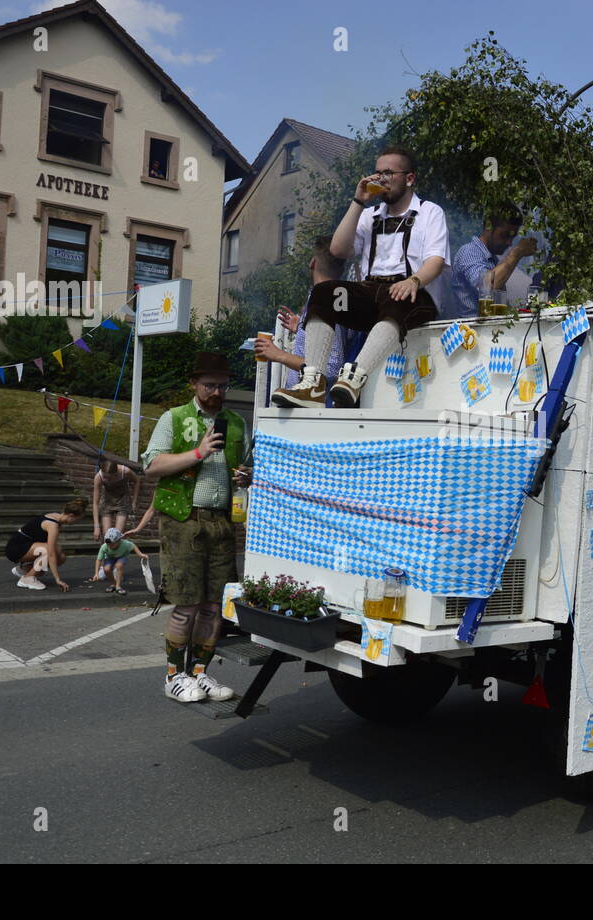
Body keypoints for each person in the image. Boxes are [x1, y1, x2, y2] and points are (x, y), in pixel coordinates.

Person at [272, 145, 449, 410]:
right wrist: (358, 201)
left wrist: (413, 281)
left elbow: (435, 261)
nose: (381, 179)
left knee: (396, 299)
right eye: (378, 173)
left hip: (413, 296)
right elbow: (338, 249)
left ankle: (354, 378)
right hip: (370, 295)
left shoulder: (430, 212)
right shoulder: (369, 215)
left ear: (409, 178)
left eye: (389, 173)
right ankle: (313, 383)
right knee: (325, 293)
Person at [142, 352, 252, 704]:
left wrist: (246, 476)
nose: (217, 391)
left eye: (222, 385)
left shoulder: (235, 422)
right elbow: (151, 466)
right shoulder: (174, 418)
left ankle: (200, 673)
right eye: (209, 385)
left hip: (222, 520)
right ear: (193, 384)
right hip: (182, 520)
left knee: (213, 605)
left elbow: (247, 465)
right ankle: (174, 676)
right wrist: (199, 452)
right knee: (186, 604)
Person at [254, 236, 358, 395]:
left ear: (313, 262)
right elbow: (333, 343)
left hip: (313, 409)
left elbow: (330, 368)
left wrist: (279, 355)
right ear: (342, 269)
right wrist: (304, 330)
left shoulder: (326, 298)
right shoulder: (337, 296)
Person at [450, 208, 538, 317]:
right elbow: (487, 288)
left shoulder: (493, 260)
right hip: (472, 331)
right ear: (488, 226)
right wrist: (516, 253)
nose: (509, 242)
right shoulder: (469, 252)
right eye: (504, 235)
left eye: (513, 237)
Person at [5, 498, 86, 591]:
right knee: (51, 550)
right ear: (71, 515)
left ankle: (24, 569)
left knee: (61, 556)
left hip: (24, 545)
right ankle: (27, 579)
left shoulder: (56, 516)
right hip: (15, 548)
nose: (76, 523)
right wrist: (58, 579)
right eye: (77, 520)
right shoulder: (52, 525)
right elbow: (50, 553)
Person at [92, 456, 140, 541]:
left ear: (116, 472)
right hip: (107, 501)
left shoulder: (125, 471)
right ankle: (105, 553)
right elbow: (95, 503)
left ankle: (118, 553)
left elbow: (137, 481)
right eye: (105, 477)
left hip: (122, 500)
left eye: (109, 477)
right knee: (106, 536)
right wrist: (96, 526)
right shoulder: (98, 477)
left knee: (117, 535)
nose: (107, 479)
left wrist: (134, 501)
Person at [89, 527, 146, 595]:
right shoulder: (104, 546)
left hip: (122, 556)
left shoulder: (125, 544)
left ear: (119, 540)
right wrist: (96, 573)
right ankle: (113, 584)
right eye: (108, 544)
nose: (110, 546)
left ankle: (118, 586)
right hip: (110, 558)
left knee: (119, 565)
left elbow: (133, 546)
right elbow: (99, 559)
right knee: (106, 569)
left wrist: (140, 554)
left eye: (112, 544)